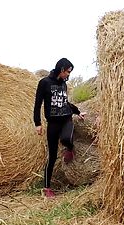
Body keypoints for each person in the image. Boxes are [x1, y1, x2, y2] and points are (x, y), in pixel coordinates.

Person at [33, 58, 85, 198]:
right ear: (61, 69)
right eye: (68, 72)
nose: (69, 75)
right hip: (53, 123)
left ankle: (69, 148)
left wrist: (78, 111)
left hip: (66, 119)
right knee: (52, 156)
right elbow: (38, 104)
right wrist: (37, 123)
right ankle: (47, 187)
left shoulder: (64, 84)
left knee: (67, 139)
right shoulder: (44, 83)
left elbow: (65, 102)